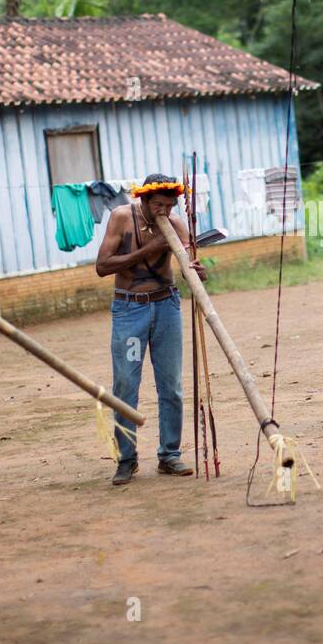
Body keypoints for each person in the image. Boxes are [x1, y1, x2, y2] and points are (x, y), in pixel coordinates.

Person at [95, 174, 206, 485]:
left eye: (170, 206)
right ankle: (126, 459)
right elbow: (102, 267)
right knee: (125, 386)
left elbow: (189, 267)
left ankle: (169, 455)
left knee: (171, 385)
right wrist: (149, 248)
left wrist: (199, 271)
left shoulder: (177, 224)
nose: (164, 212)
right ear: (143, 200)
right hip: (130, 308)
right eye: (158, 205)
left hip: (166, 307)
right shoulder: (121, 218)